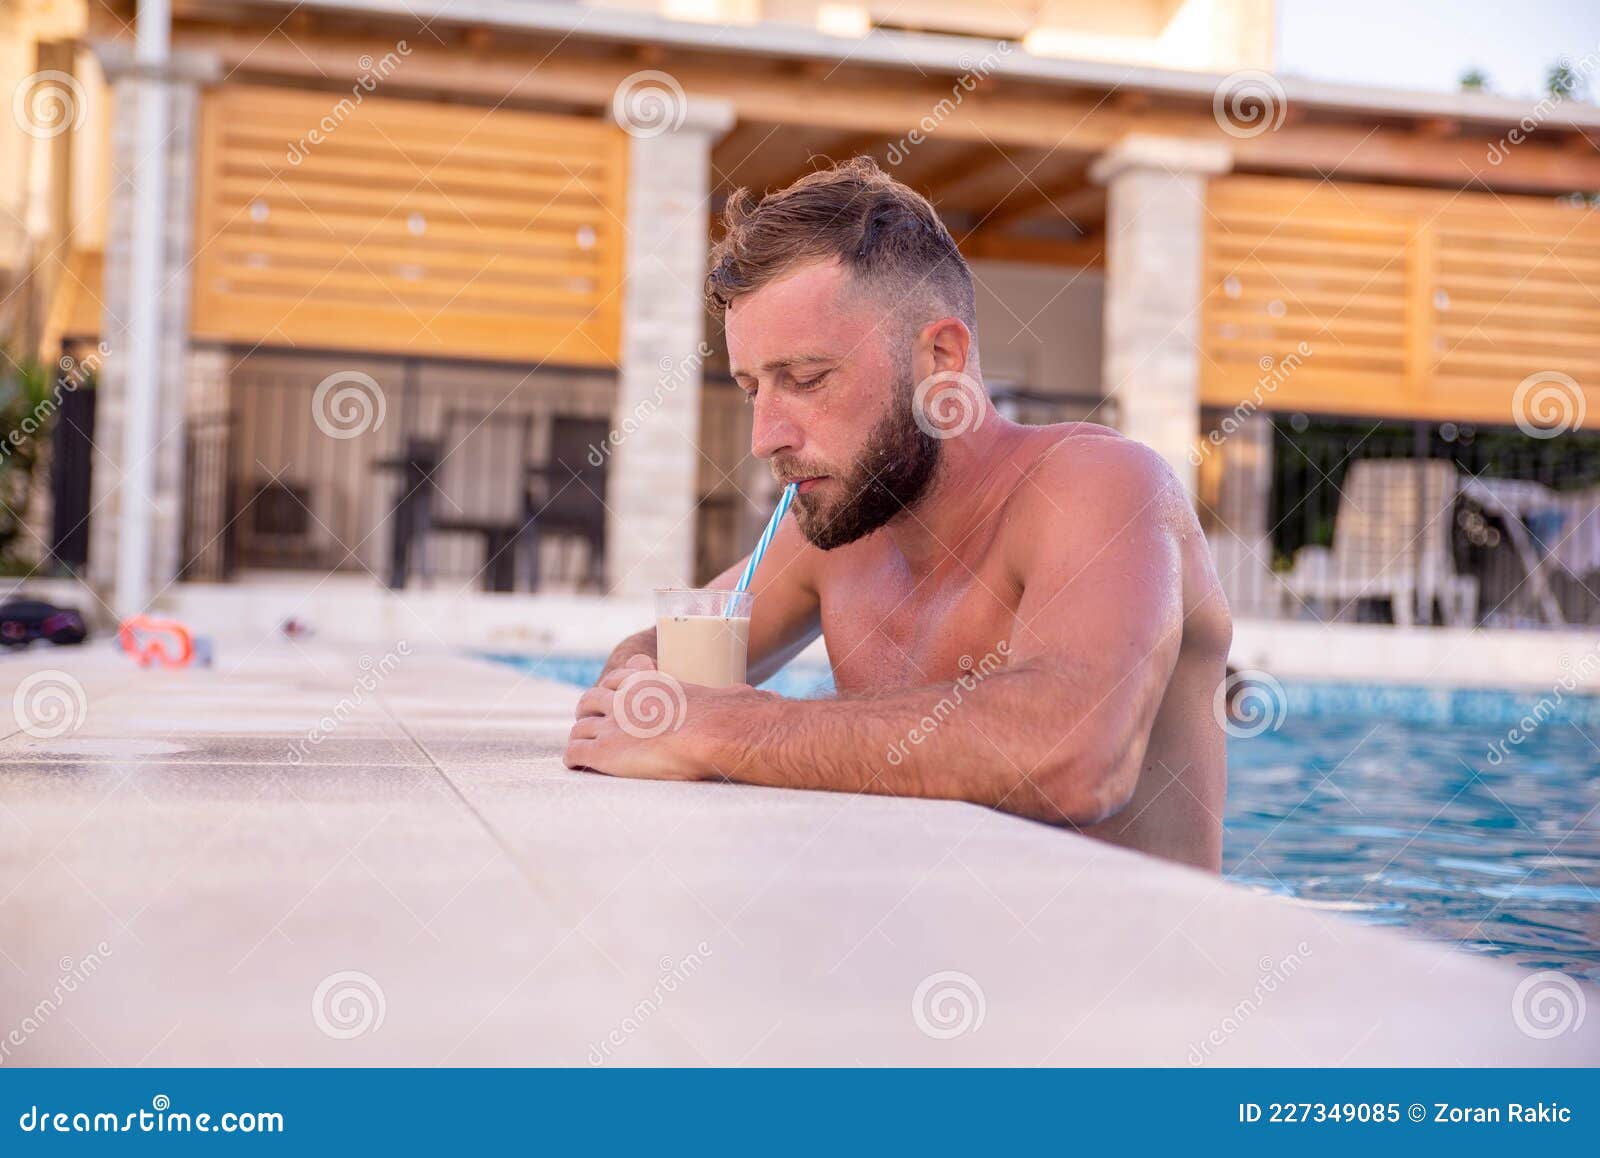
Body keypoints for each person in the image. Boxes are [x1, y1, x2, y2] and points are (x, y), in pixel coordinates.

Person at [565, 156, 1232, 871]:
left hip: (1113, 944)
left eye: (807, 378)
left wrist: (733, 730)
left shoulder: (1099, 487)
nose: (765, 438)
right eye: (753, 388)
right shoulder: (842, 527)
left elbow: (1075, 755)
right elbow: (659, 649)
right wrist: (645, 689)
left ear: (940, 357)